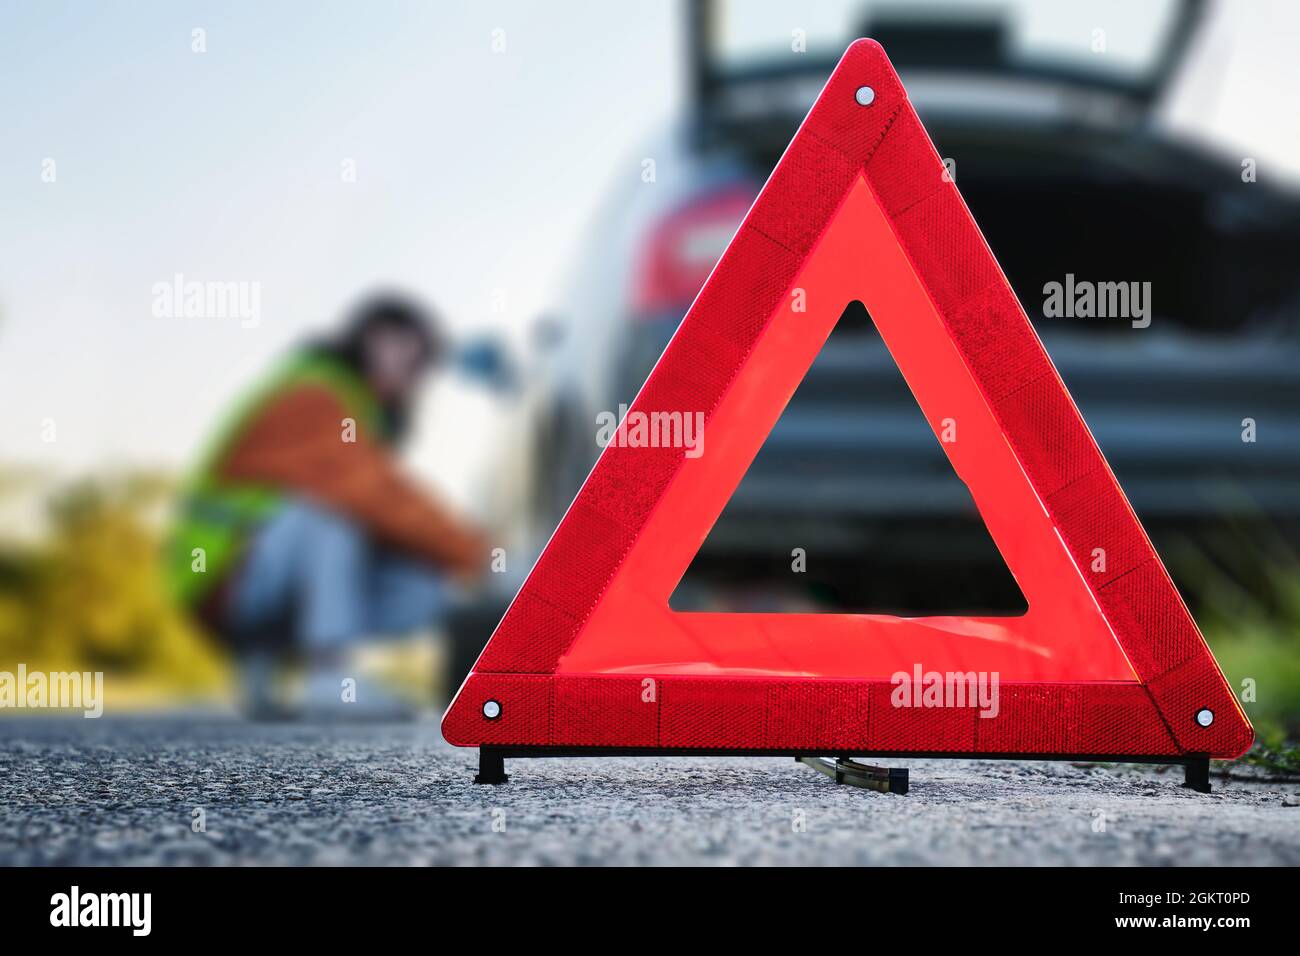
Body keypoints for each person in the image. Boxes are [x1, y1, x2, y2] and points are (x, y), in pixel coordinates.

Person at [166, 293, 489, 718]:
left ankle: (264, 657)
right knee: (334, 512)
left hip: (248, 573)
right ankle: (328, 675)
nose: (411, 372)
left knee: (422, 586)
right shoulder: (316, 393)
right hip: (216, 575)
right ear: (368, 338)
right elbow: (377, 494)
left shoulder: (353, 402)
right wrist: (482, 555)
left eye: (418, 363)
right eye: (402, 351)